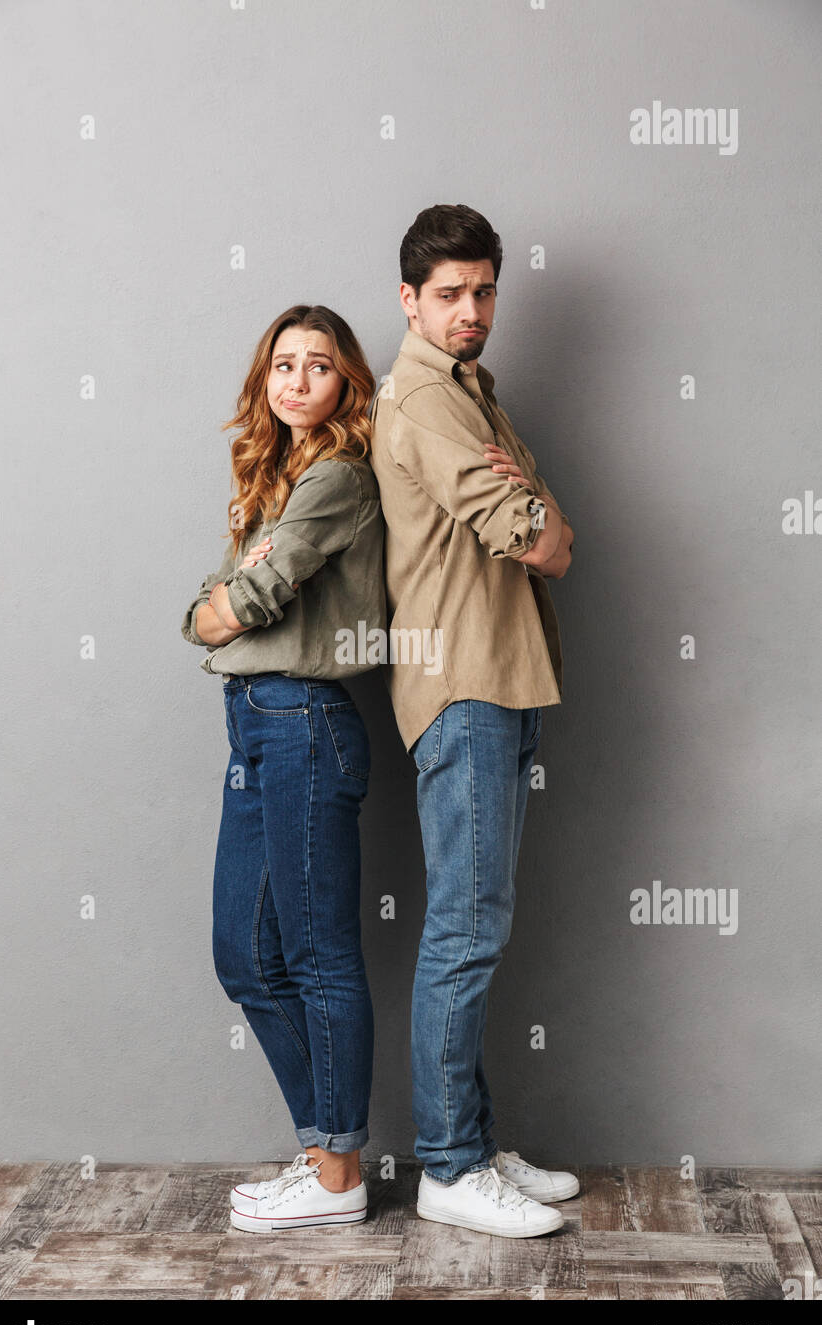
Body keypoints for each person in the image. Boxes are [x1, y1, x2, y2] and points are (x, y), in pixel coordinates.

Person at [370, 205, 579, 1238]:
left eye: (484, 290)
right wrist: (540, 513)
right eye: (448, 293)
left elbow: (542, 527)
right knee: (463, 926)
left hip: (498, 676)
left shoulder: (471, 392)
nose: (470, 310)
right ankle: (447, 1167)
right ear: (408, 298)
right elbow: (536, 538)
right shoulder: (420, 397)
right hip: (461, 687)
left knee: (476, 922)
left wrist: (539, 512)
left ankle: (471, 1138)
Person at [181, 304, 385, 1232]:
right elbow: (205, 609)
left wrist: (220, 605)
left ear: (346, 383)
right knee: (245, 955)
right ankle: (323, 1154)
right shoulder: (280, 484)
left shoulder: (338, 478)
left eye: (319, 366)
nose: (297, 381)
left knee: (315, 954)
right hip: (256, 726)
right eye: (283, 366)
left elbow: (246, 599)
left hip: (305, 719)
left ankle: (339, 1174)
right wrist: (215, 607)